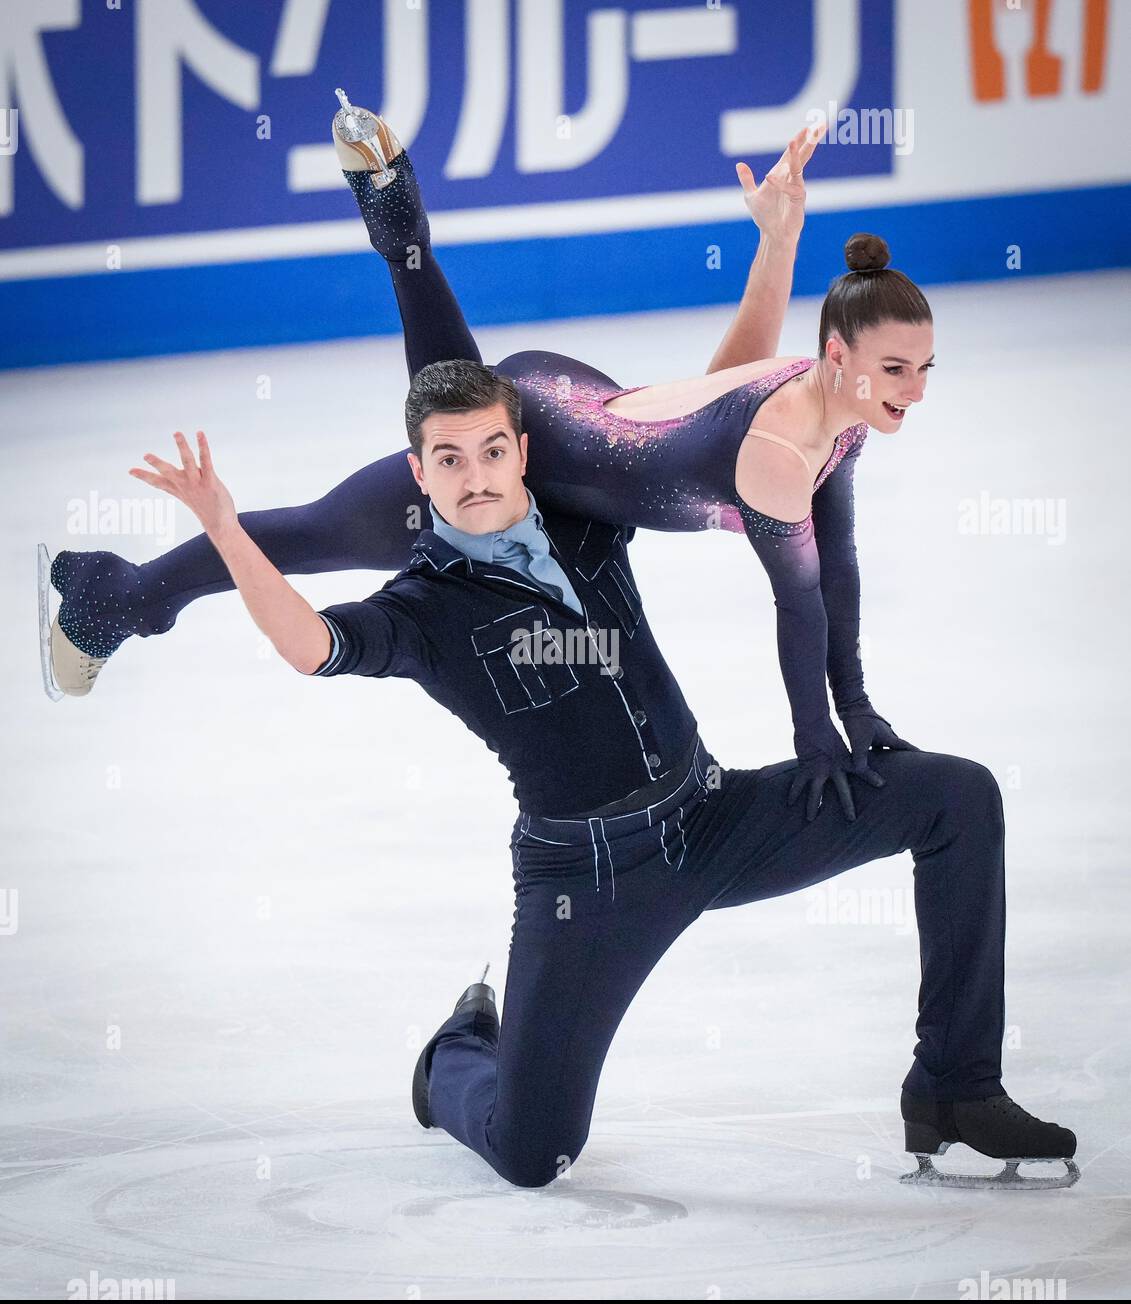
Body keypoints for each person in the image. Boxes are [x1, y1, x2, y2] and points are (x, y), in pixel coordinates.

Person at [125, 360, 1079, 1192]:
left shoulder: (583, 525)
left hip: (715, 817)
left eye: (491, 450)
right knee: (533, 1152)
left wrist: (771, 247)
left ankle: (954, 1086)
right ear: (419, 473)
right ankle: (451, 1059)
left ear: (523, 453)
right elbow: (309, 644)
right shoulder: (420, 606)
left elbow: (710, 428)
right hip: (588, 882)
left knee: (957, 797)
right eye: (447, 460)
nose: (473, 476)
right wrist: (226, 531)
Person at [42, 95, 919, 822]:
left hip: (584, 425)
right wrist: (821, 735)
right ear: (840, 355)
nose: (912, 390)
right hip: (548, 435)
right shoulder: (782, 447)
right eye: (895, 369)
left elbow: (723, 422)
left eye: (923, 370)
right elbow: (799, 605)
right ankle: (398, 228)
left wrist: (774, 241)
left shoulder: (817, 407)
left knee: (327, 523)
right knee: (365, 494)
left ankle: (394, 213)